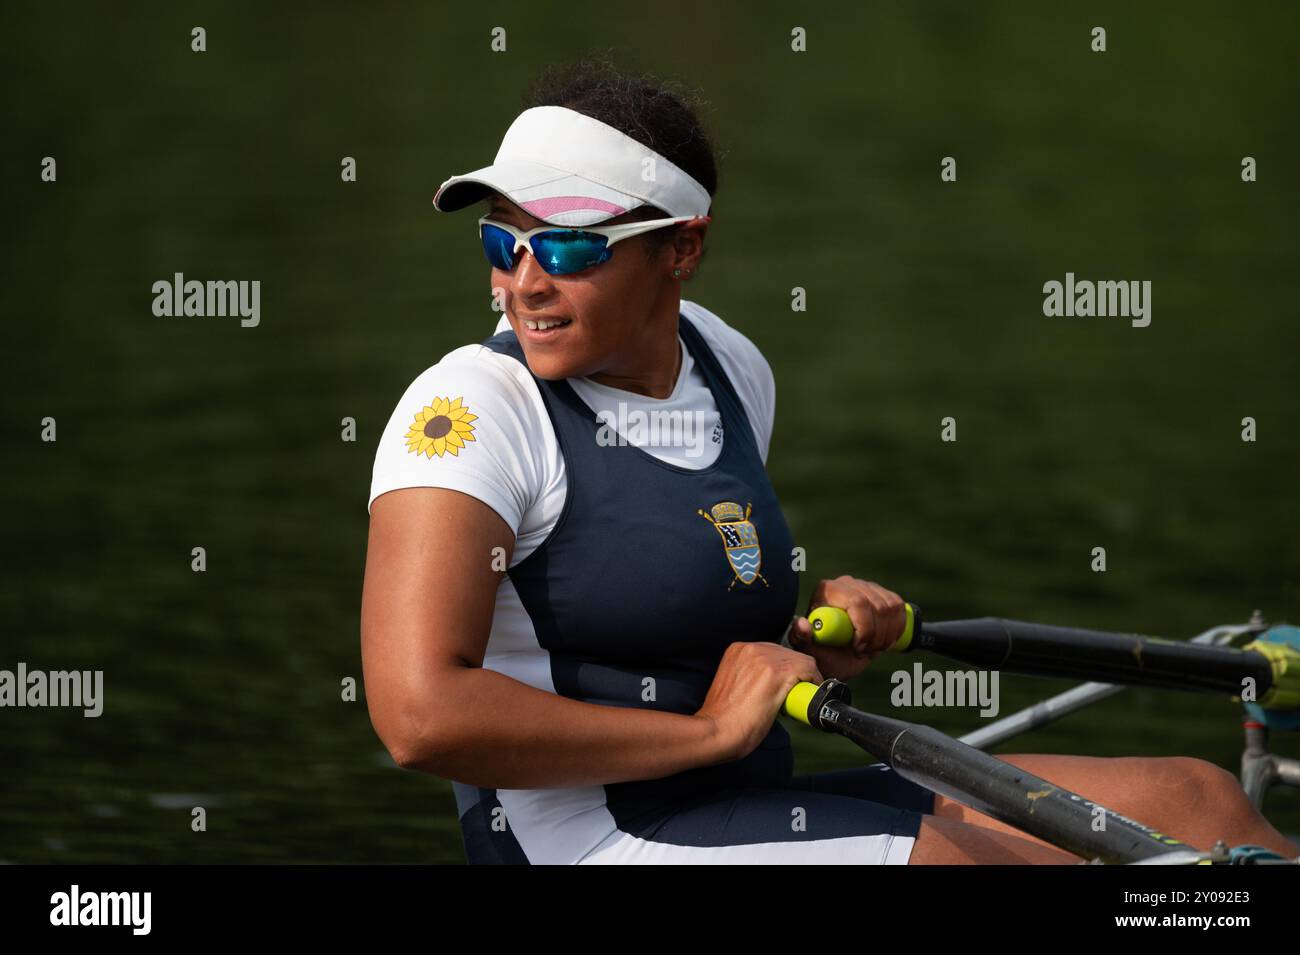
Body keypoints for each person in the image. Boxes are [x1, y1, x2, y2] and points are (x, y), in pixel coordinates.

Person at [359, 60, 1298, 864]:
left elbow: (684, 594)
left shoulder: (729, 367)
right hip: (590, 839)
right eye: (502, 239)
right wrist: (712, 733)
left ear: (682, 249)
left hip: (746, 803)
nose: (524, 280)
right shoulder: (472, 414)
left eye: (567, 243)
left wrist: (814, 633)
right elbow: (419, 716)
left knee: (1195, 805)